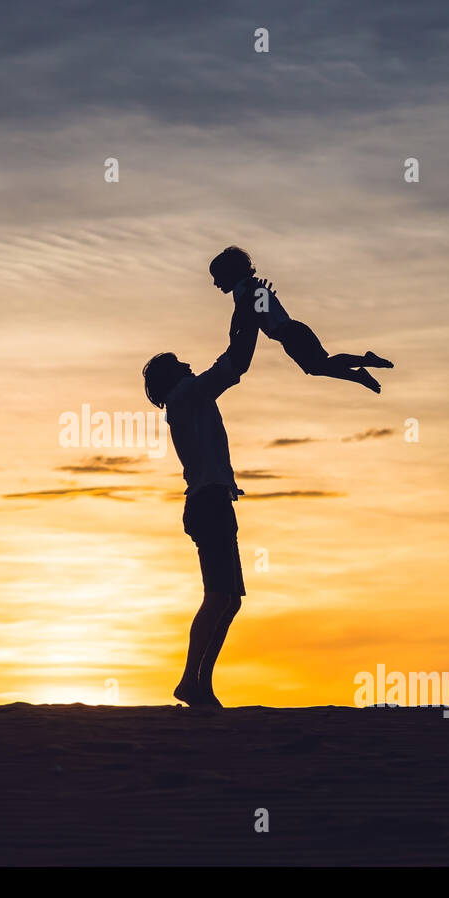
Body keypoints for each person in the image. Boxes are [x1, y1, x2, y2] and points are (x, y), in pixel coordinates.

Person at [141, 280, 267, 708]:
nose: (189, 365)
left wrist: (246, 311)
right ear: (172, 377)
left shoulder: (186, 398)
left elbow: (232, 362)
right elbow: (234, 363)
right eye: (180, 364)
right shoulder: (187, 396)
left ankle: (201, 684)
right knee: (218, 596)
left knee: (229, 599)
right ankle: (189, 681)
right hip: (207, 504)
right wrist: (247, 307)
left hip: (213, 502)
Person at [210, 245, 394, 393]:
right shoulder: (252, 287)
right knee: (321, 365)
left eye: (218, 277)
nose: (215, 283)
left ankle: (362, 371)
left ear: (231, 273)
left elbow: (244, 314)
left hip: (290, 334)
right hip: (294, 331)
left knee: (318, 367)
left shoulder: (244, 288)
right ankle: (364, 365)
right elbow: (255, 311)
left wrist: (234, 333)